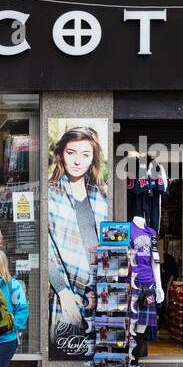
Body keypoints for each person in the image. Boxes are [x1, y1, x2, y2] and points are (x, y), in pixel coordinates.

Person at [47, 126, 108, 354]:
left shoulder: (103, 195)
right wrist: (62, 290)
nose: (77, 161)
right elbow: (45, 248)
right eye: (71, 152)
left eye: (85, 154)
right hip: (63, 289)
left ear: (93, 158)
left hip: (99, 288)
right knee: (67, 345)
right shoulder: (51, 193)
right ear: (61, 154)